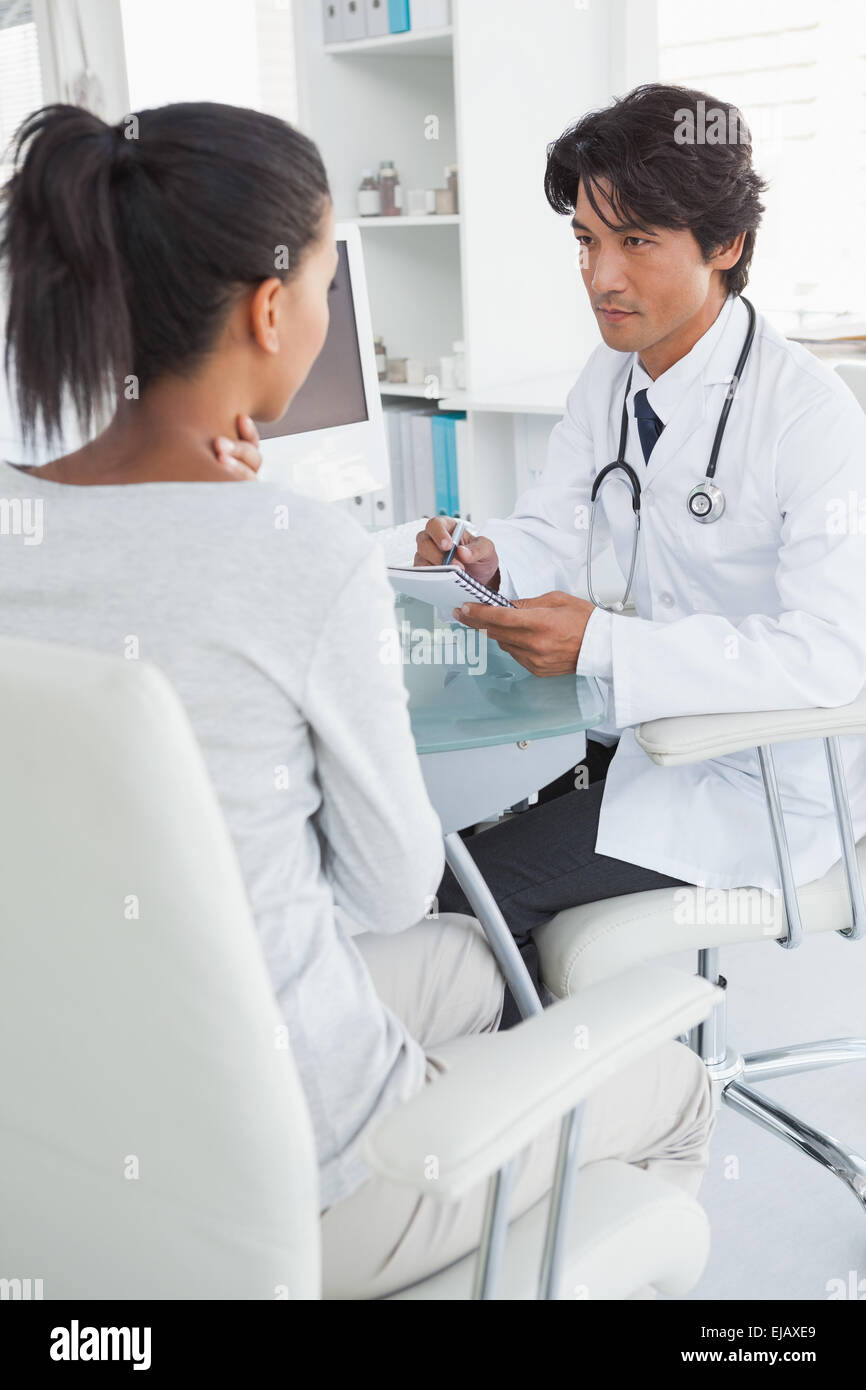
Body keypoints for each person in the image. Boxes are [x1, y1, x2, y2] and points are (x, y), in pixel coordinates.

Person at [0, 100, 714, 1298]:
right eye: (328, 279)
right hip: (281, 1187)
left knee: (474, 965)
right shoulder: (294, 554)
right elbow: (380, 882)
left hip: (51, 1134)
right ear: (270, 309)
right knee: (676, 1091)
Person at [416, 84, 866, 1026]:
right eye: (586, 240)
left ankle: (541, 1141)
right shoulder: (614, 374)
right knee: (430, 847)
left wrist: (607, 648)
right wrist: (497, 561)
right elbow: (559, 528)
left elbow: (834, 656)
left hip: (760, 781)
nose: (601, 278)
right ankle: (552, 1101)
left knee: (470, 901)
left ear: (725, 247)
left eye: (636, 242)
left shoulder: (812, 420)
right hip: (637, 740)